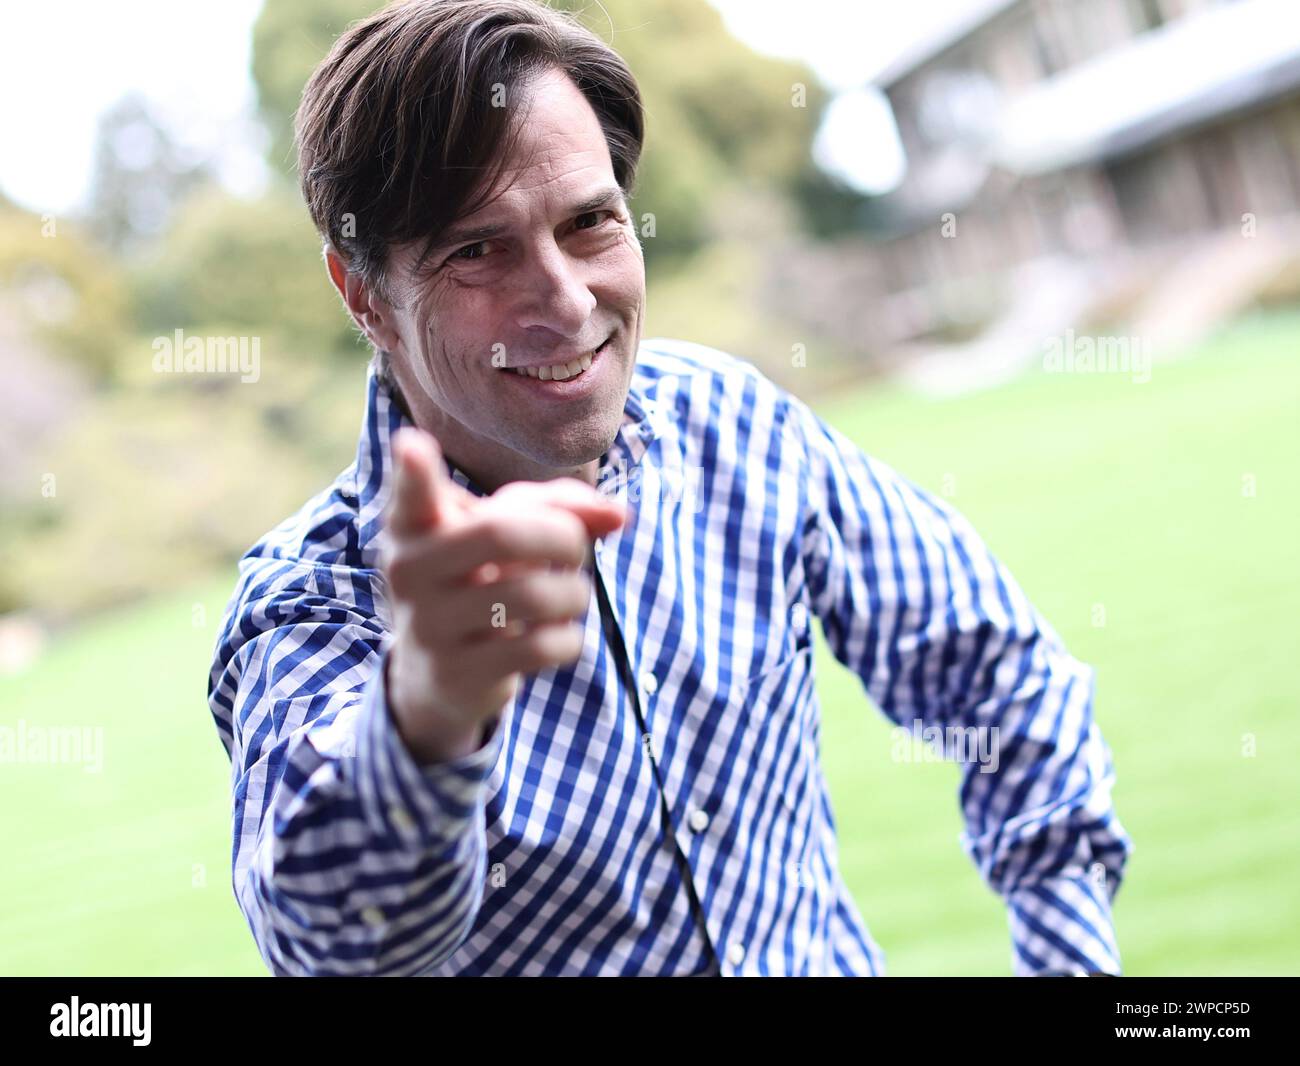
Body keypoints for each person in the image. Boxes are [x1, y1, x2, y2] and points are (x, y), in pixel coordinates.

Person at [207, 0, 1132, 976]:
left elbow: (993, 669)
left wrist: (1066, 947)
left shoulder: (729, 427)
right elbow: (341, 946)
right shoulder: (313, 608)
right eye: (477, 249)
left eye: (589, 222)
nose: (565, 302)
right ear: (362, 294)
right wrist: (425, 717)